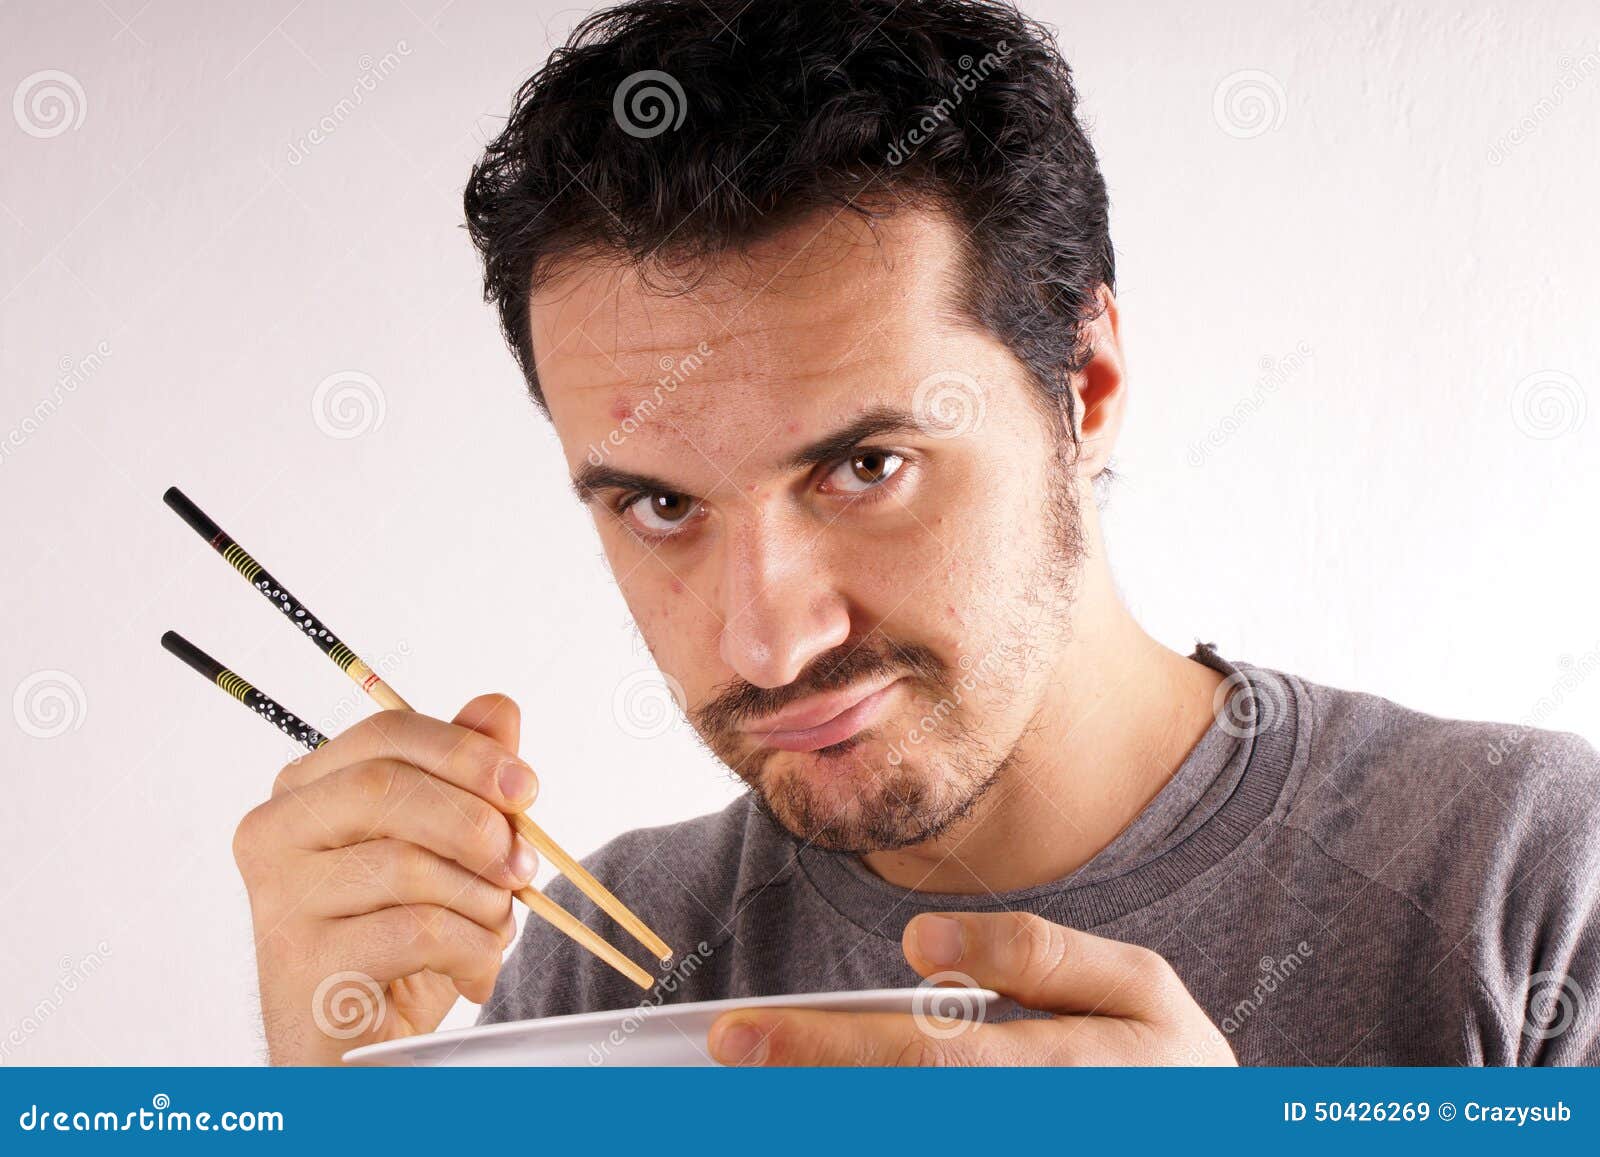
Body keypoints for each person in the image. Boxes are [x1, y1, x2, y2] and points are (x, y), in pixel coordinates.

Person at [230, 0, 1600, 1065]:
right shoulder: (618, 968)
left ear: (1088, 388)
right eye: (661, 504)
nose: (767, 636)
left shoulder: (1522, 875)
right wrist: (344, 1100)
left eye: (866, 465)